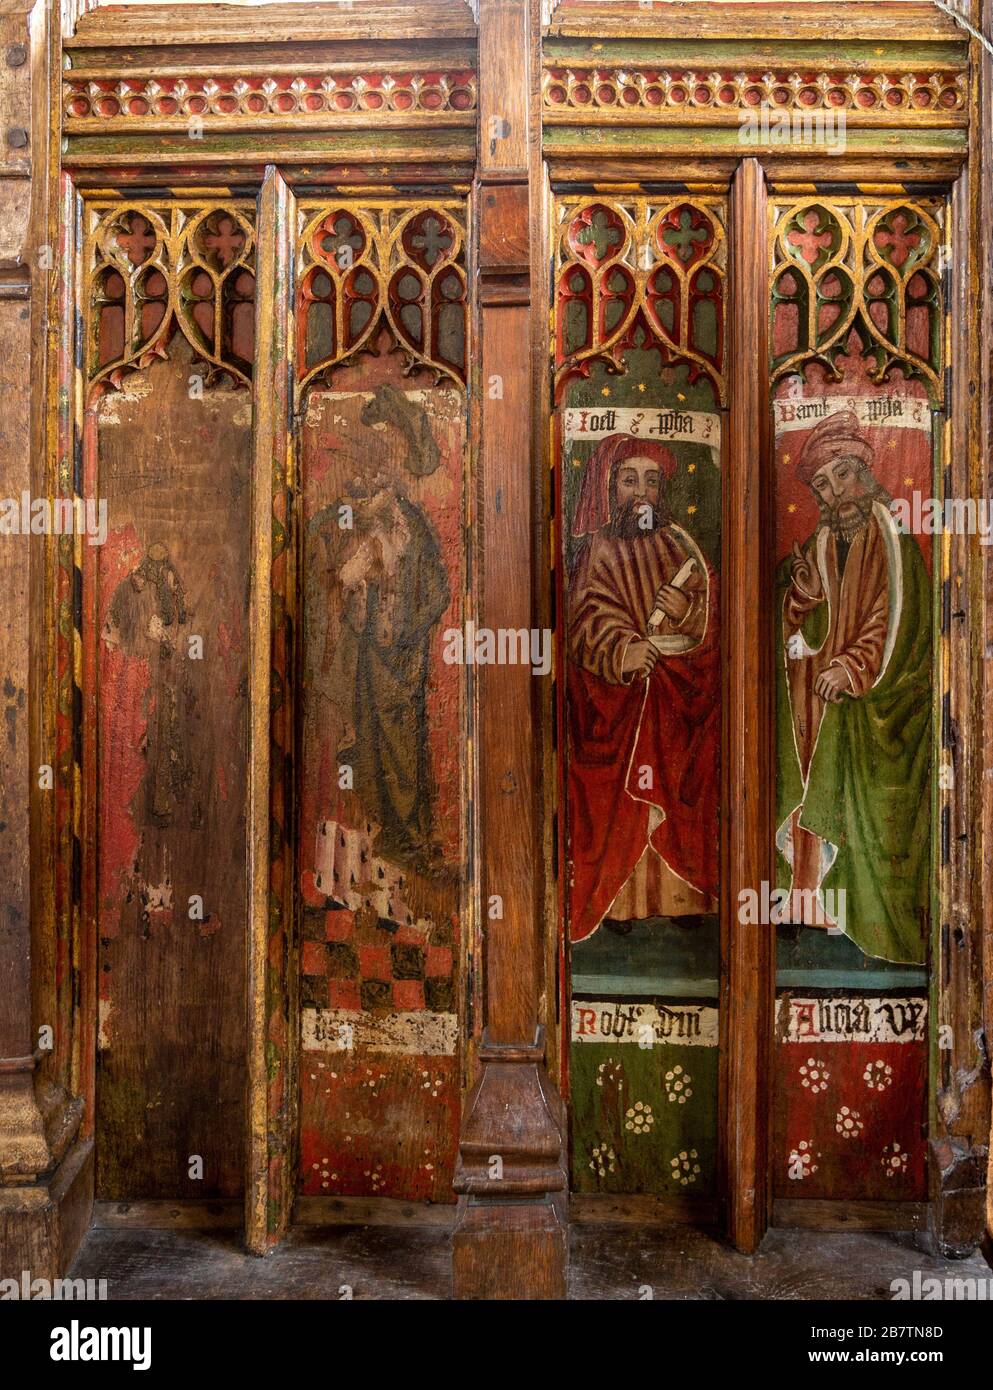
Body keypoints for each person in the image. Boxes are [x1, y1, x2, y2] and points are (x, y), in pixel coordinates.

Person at [776, 410, 931, 964]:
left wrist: (856, 667)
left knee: (843, 762)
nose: (833, 492)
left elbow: (896, 617)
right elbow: (810, 617)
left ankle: (857, 911)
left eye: (841, 475)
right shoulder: (822, 543)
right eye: (822, 484)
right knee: (806, 766)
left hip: (883, 700)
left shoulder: (895, 541)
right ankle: (811, 900)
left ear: (863, 472)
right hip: (825, 694)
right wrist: (801, 602)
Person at [567, 433, 719, 942]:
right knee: (626, 796)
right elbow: (587, 616)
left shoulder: (679, 544)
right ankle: (619, 901)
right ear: (611, 489)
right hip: (624, 698)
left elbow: (710, 610)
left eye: (652, 481)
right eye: (630, 480)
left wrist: (691, 611)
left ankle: (681, 896)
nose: (642, 492)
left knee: (683, 779)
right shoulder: (599, 548)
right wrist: (621, 649)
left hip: (676, 695)